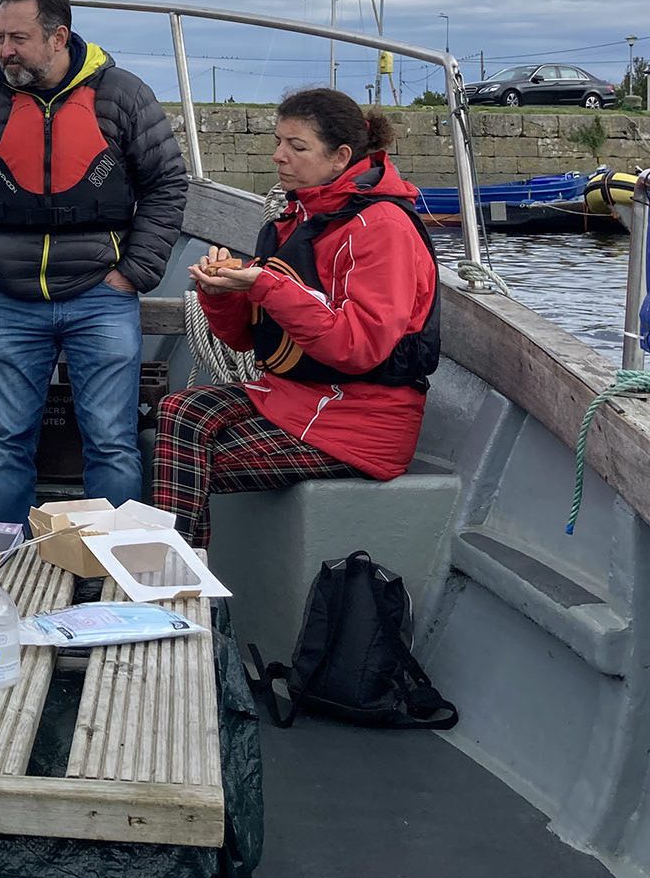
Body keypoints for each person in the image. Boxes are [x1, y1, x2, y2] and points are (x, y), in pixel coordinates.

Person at [0, 0, 188, 523]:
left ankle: (111, 573)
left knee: (112, 442)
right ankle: (4, 568)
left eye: (18, 37)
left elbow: (167, 183)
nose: (4, 49)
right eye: (1, 35)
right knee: (4, 442)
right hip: (7, 297)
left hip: (102, 296)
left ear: (58, 37)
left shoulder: (122, 96)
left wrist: (134, 272)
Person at [155, 87, 439, 547]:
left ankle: (174, 582)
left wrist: (265, 284)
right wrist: (220, 292)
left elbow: (357, 347)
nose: (278, 157)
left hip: (363, 424)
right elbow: (247, 342)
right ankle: (179, 575)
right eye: (278, 142)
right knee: (179, 411)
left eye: (296, 146)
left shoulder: (383, 228)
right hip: (296, 397)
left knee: (183, 463)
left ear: (340, 157)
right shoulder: (297, 220)